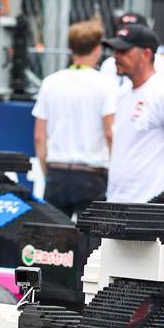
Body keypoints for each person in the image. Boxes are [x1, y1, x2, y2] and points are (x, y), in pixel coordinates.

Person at [31, 17, 118, 218]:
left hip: (57, 172)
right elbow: (110, 133)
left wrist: (47, 171)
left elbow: (39, 136)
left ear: (71, 49)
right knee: (93, 245)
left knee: (55, 244)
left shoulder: (50, 83)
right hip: (92, 174)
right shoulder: (106, 85)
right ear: (97, 49)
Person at [103, 23, 164, 203]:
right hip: (116, 202)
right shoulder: (123, 93)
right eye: (115, 51)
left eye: (124, 51)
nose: (116, 56)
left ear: (146, 54)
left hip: (149, 209)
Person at [100, 12, 164, 90]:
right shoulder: (109, 64)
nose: (129, 32)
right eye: (123, 29)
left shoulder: (163, 64)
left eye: (135, 30)